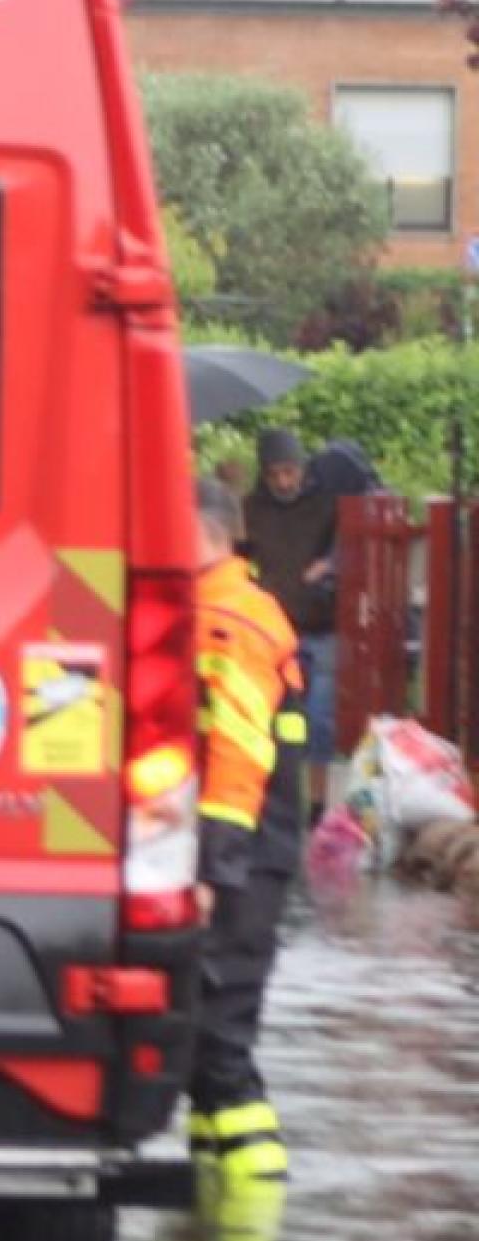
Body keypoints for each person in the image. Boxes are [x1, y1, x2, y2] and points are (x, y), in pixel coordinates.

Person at [191, 475, 308, 1202]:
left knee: (222, 1028)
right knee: (209, 1039)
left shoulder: (232, 619)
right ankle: (214, 1194)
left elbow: (236, 755)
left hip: (245, 850)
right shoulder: (218, 607)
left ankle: (251, 1214)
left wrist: (214, 866)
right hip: (240, 847)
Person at [241, 427, 338, 793]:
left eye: (290, 471)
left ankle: (315, 801)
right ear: (263, 475)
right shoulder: (251, 509)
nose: (283, 481)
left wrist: (329, 564)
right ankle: (274, 794)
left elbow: (348, 546)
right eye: (275, 474)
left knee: (320, 723)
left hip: (320, 626)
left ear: (303, 468)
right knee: (269, 717)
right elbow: (236, 555)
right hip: (270, 632)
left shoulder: (328, 504)